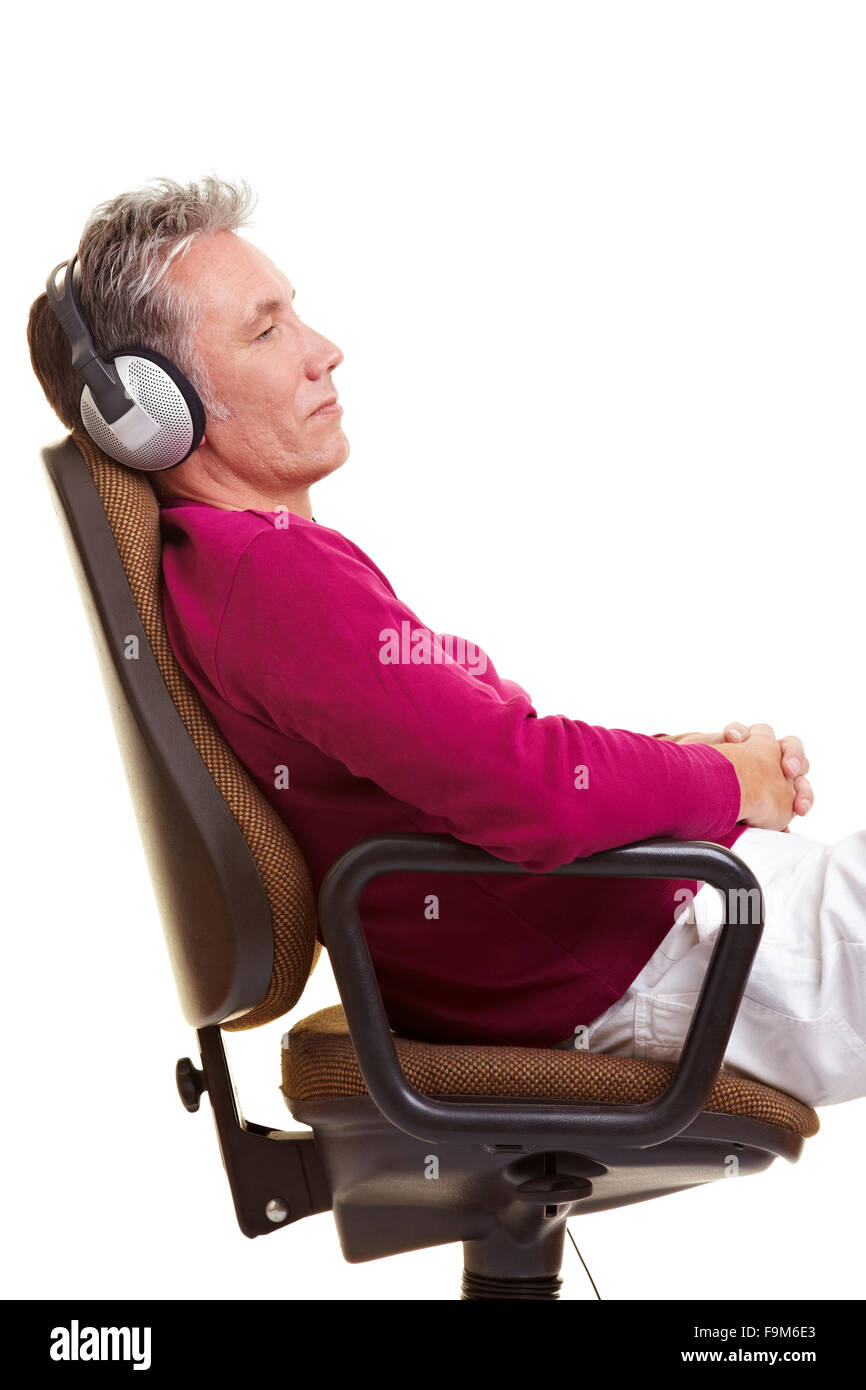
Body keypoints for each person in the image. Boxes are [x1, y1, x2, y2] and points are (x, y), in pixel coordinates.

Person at [27, 176, 865, 1108]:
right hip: (643, 958)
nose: (324, 352)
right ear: (154, 408)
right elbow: (528, 787)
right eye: (266, 331)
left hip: (630, 932)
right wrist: (729, 783)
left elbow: (480, 765)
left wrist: (683, 769)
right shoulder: (271, 578)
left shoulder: (233, 569)